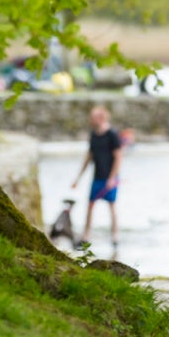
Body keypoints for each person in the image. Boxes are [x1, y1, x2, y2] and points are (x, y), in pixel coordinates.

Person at [71, 105, 124, 248]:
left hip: (110, 177)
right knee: (90, 205)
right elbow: (89, 156)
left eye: (93, 117)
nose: (90, 119)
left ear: (101, 118)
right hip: (97, 177)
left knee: (112, 206)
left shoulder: (112, 134)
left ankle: (115, 235)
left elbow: (118, 157)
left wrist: (112, 178)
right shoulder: (94, 135)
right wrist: (78, 179)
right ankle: (86, 235)